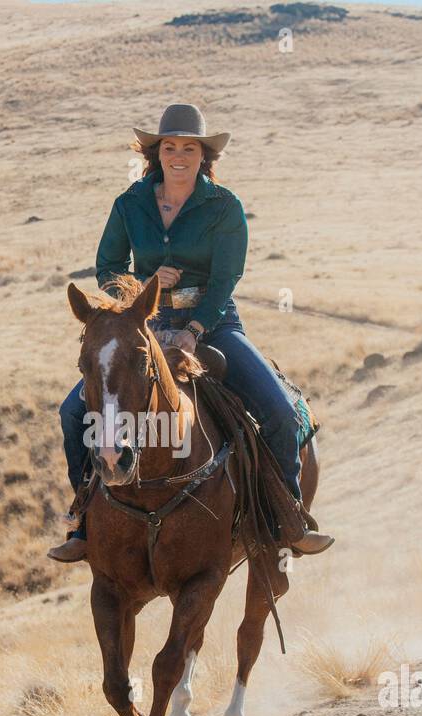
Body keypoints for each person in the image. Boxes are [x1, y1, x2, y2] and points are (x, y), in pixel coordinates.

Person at [49, 103, 334, 563]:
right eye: (169, 147)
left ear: (205, 157)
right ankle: (84, 522)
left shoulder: (224, 208)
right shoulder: (130, 204)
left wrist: (196, 328)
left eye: (189, 148)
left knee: (280, 410)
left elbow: (226, 278)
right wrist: (140, 290)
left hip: (215, 325)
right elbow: (107, 267)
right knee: (71, 412)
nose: (178, 155)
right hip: (146, 328)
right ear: (155, 153)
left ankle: (289, 517)